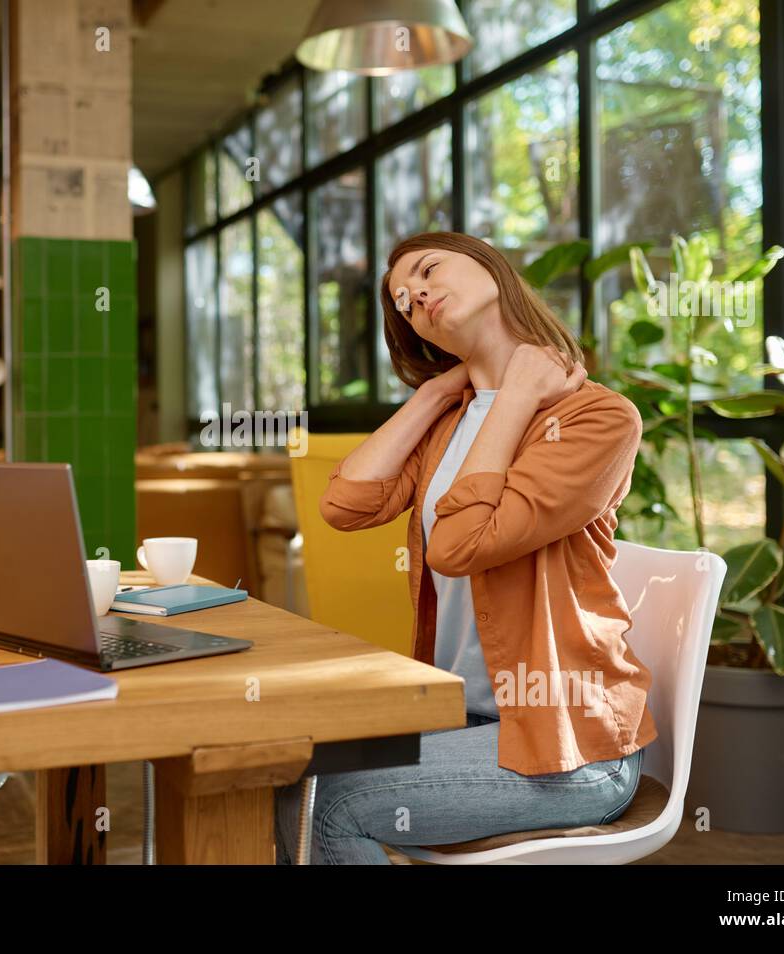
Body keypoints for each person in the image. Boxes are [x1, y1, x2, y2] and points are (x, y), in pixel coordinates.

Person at [275, 231, 654, 864]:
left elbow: (459, 545)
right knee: (287, 777)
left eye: (427, 271)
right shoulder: (449, 417)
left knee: (329, 804)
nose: (415, 295)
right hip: (462, 722)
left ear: (492, 270)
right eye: (402, 302)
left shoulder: (597, 418)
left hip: (568, 744)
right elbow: (345, 505)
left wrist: (519, 396)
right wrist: (432, 395)